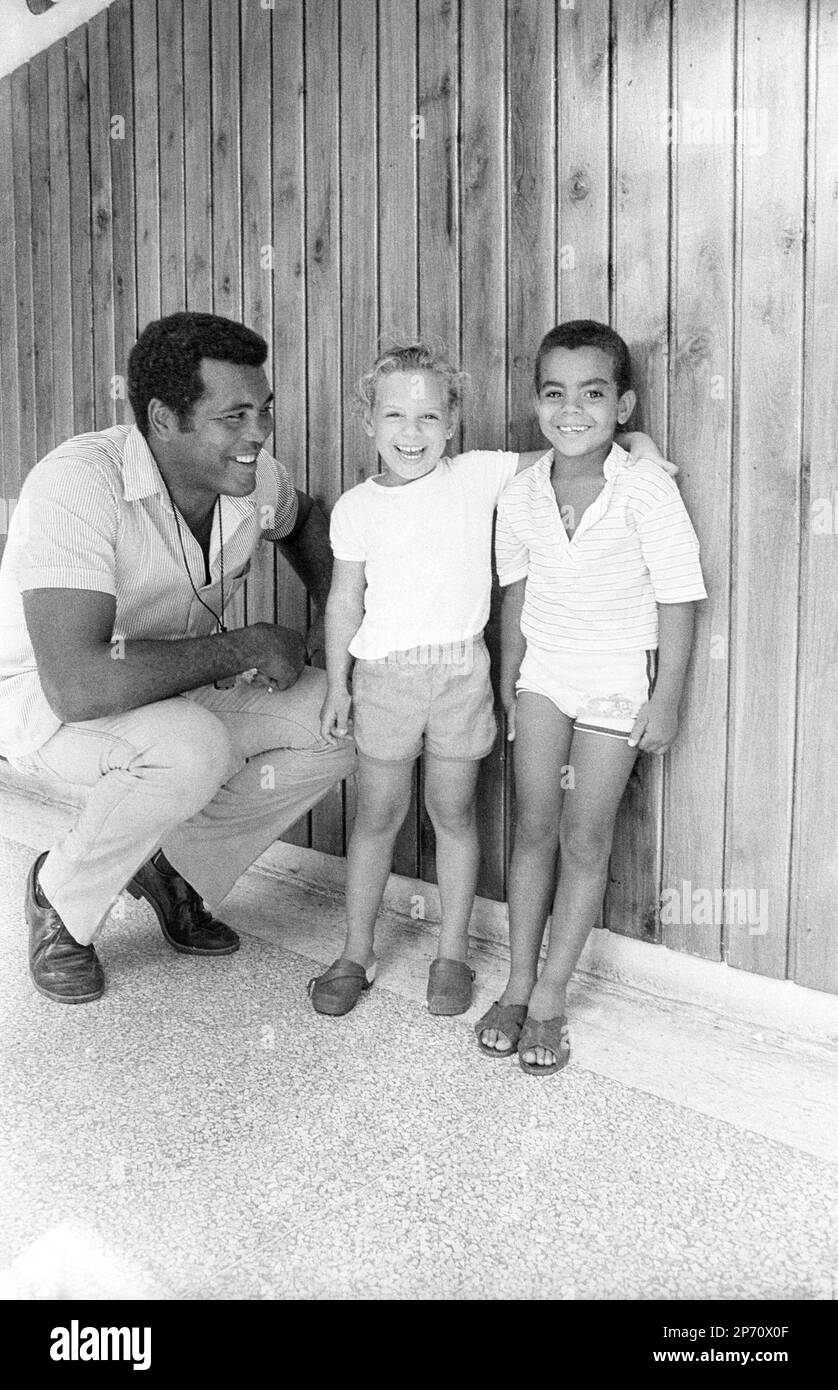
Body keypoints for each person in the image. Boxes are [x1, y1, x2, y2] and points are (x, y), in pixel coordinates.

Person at [0, 311, 356, 1004]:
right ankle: (60, 900)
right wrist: (248, 644)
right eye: (235, 416)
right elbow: (76, 685)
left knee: (342, 719)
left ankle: (176, 874)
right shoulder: (76, 483)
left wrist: (342, 639)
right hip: (43, 701)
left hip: (171, 686)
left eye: (264, 410)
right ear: (165, 419)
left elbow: (306, 520)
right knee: (191, 746)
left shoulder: (255, 477)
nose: (258, 433)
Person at [311, 340, 667, 1019]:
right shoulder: (356, 508)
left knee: (452, 812)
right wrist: (337, 682)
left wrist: (640, 441)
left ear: (452, 425)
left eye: (427, 419)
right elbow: (343, 602)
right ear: (368, 423)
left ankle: (453, 954)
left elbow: (570, 450)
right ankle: (355, 951)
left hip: (461, 675)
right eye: (393, 417)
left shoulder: (477, 474)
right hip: (385, 679)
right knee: (378, 816)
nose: (410, 434)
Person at [476, 319, 707, 1075]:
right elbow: (514, 593)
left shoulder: (644, 486)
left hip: (614, 682)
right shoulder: (521, 493)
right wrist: (510, 681)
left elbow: (679, 596)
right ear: (537, 401)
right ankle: (513, 984)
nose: (571, 410)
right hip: (544, 676)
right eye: (554, 393)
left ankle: (549, 997)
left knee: (584, 837)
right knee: (534, 828)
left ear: (623, 405)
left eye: (593, 393)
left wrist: (665, 698)